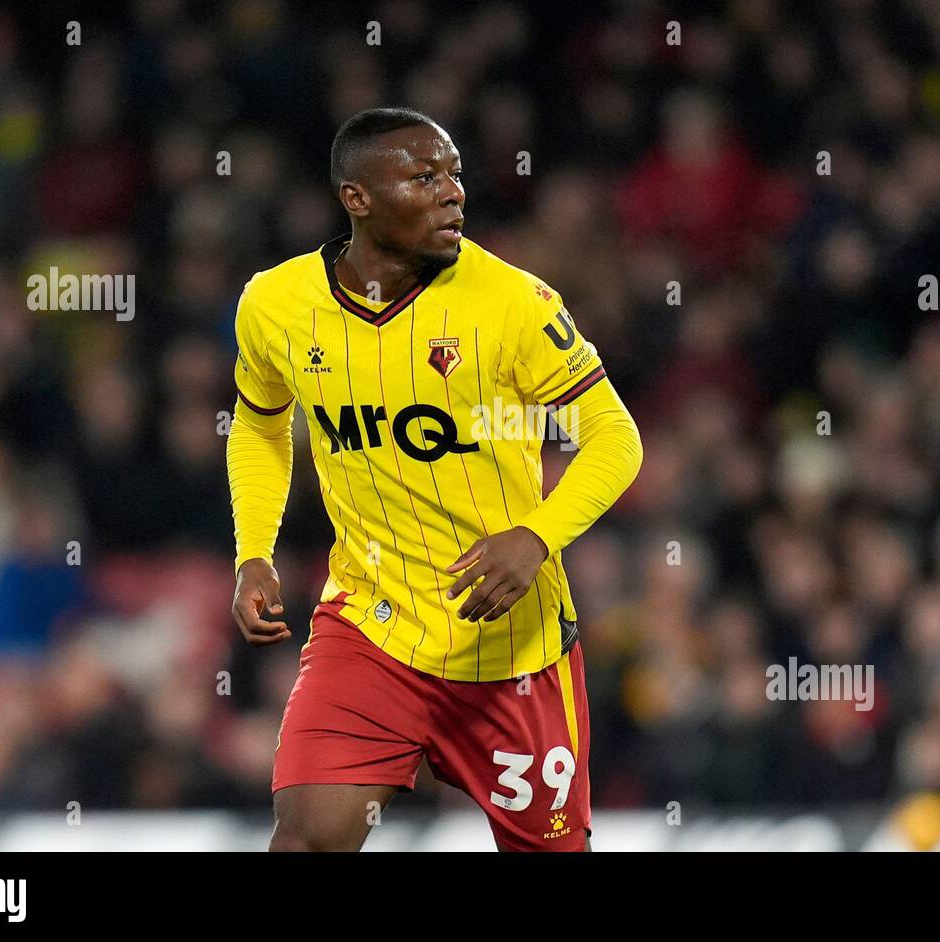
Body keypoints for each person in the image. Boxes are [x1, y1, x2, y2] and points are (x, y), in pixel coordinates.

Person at [226, 107, 642, 851]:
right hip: (371, 631)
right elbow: (258, 423)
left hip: (511, 652)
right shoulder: (276, 305)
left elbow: (615, 436)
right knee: (309, 839)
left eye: (455, 175)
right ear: (357, 198)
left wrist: (537, 537)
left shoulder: (515, 302)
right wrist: (253, 548)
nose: (453, 193)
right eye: (424, 178)